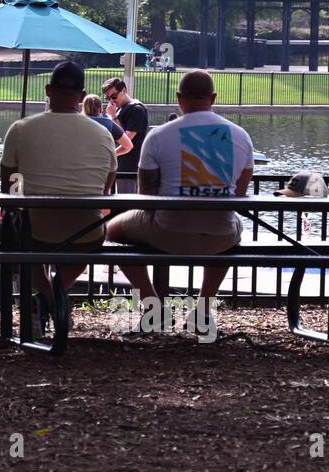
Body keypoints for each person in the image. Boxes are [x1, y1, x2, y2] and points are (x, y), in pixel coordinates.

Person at [104, 70, 254, 339]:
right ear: (214, 98)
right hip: (220, 236)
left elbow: (146, 197)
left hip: (167, 232)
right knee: (231, 225)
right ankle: (202, 311)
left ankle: (153, 308)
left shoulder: (158, 136)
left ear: (179, 99)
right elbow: (238, 195)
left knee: (113, 230)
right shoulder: (241, 136)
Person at [0, 62, 117, 325]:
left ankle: (45, 292)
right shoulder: (103, 134)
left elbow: (9, 188)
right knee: (92, 238)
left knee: (8, 231)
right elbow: (106, 187)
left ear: (48, 89)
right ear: (82, 95)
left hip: (35, 232)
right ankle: (55, 289)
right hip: (87, 233)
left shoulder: (20, 129)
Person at [102, 77, 149, 193]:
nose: (112, 101)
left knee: (127, 203)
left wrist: (113, 117)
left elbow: (126, 140)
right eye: (108, 98)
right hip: (121, 165)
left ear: (124, 90)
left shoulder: (137, 109)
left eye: (113, 96)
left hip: (130, 166)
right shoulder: (121, 109)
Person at [82, 94, 133, 161]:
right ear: (100, 109)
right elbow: (128, 146)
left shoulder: (77, 123)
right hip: (102, 165)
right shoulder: (108, 124)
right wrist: (112, 154)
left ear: (83, 108)